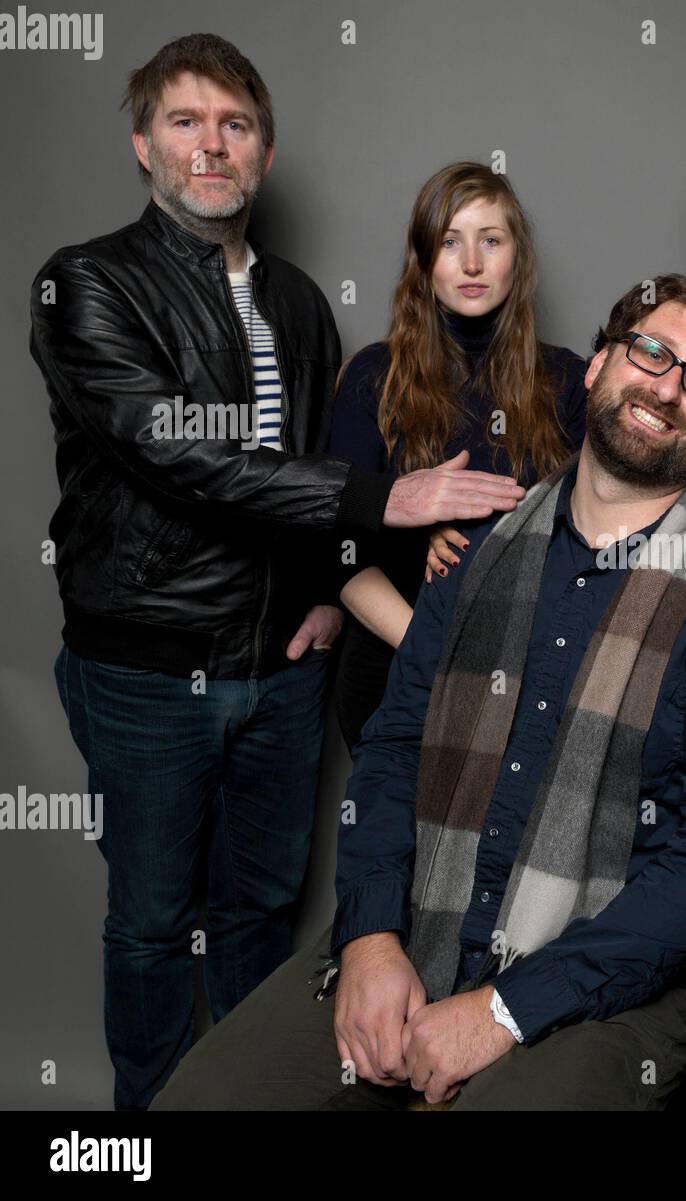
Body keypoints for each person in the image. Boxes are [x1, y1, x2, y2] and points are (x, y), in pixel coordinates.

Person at [150, 274, 686, 1111]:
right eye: (652, 352)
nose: (668, 387)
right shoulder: (477, 554)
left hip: (614, 983)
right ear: (599, 364)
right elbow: (393, 752)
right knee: (199, 1100)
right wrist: (370, 938)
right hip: (422, 922)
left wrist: (508, 1008)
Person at [29, 34, 524, 1111]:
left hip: (287, 667)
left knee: (261, 904)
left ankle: (255, 1103)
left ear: (264, 150)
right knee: (155, 924)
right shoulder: (86, 283)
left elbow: (305, 461)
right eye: (185, 121)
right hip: (150, 669)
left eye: (236, 124)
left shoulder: (299, 299)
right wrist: (382, 505)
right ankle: (149, 1126)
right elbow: (171, 449)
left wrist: (327, 590)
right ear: (141, 144)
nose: (212, 144)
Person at [328, 162, 587, 751]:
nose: (471, 263)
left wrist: (491, 534)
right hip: (395, 670)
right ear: (423, 262)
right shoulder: (374, 376)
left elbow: (592, 533)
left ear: (515, 258)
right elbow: (338, 552)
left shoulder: (567, 380)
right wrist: (430, 644)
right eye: (450, 242)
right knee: (392, 842)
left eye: (490, 241)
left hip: (521, 676)